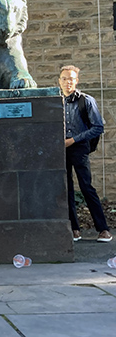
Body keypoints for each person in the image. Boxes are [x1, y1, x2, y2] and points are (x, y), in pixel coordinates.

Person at [59, 65, 112, 243]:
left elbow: (98, 127)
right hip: (60, 149)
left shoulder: (86, 101)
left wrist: (73, 140)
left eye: (71, 79)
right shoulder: (54, 101)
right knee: (66, 189)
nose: (68, 82)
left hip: (79, 148)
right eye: (65, 78)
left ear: (77, 81)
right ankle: (74, 229)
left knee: (86, 187)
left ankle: (103, 229)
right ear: (59, 81)